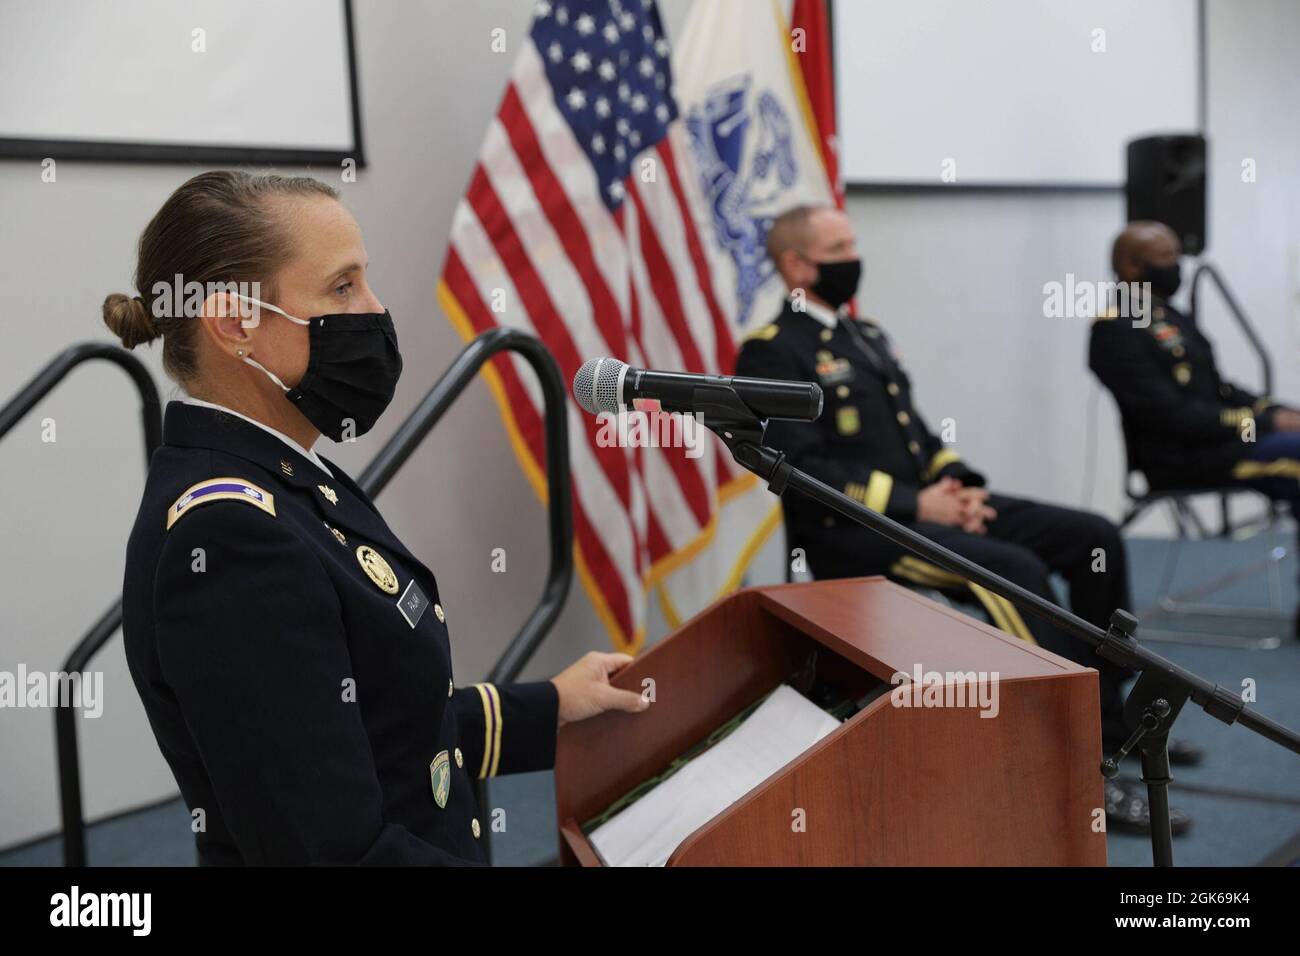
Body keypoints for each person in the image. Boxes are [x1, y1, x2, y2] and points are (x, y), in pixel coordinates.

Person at [105, 171, 646, 865]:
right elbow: (336, 852)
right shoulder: (231, 534)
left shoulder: (289, 475)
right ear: (235, 323)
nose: (375, 311)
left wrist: (552, 706)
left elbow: (377, 726)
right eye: (342, 287)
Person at [735, 204, 1197, 835]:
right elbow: (798, 469)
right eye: (840, 247)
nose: (854, 257)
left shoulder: (864, 335)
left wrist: (961, 487)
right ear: (796, 264)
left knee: (1094, 536)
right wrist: (916, 504)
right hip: (859, 536)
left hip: (931, 510)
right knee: (1015, 572)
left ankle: (1116, 722)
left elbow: (918, 436)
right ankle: (1087, 760)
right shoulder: (771, 352)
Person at [1090, 220, 1300, 636]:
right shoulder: (1115, 330)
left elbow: (1218, 389)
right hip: (1180, 459)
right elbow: (1172, 418)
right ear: (1131, 266)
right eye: (1165, 258)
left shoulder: (1166, 316)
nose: (1177, 266)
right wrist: (1262, 423)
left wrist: (1273, 409)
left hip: (1217, 446)